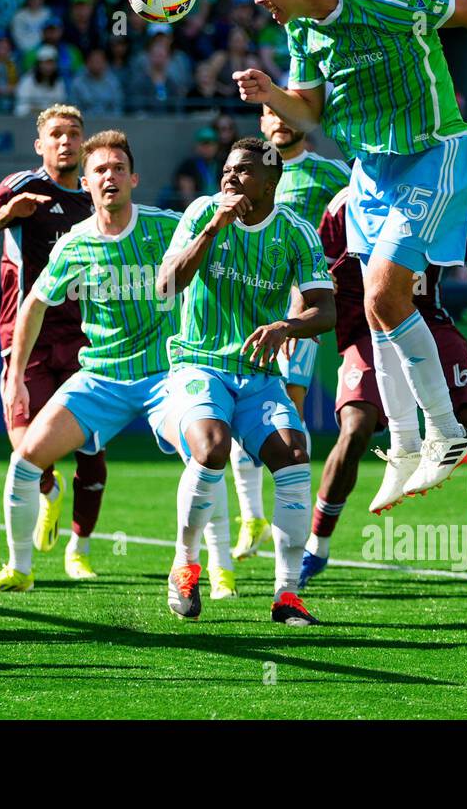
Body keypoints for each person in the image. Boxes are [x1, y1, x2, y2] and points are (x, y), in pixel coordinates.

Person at [233, 0, 467, 505]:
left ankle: (446, 434)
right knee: (377, 308)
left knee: (382, 293)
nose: (258, 0)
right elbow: (307, 115)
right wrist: (270, 95)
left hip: (433, 154)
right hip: (371, 171)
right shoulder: (301, 27)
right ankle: (405, 443)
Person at [0, 130, 182, 593]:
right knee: (25, 454)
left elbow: (213, 250)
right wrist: (13, 379)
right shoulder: (38, 203)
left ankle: (86, 550)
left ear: (133, 177)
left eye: (117, 168)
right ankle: (21, 565)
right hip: (62, 356)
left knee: (186, 453)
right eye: (101, 169)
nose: (109, 176)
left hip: (134, 365)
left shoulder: (161, 225)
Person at [302, 187, 467, 593]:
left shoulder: (448, 197)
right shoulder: (346, 204)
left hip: (428, 318)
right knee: (357, 426)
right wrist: (301, 325)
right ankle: (315, 547)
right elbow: (318, 280)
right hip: (365, 327)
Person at [156, 137, 336, 624]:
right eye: (227, 170)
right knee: (211, 448)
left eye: (243, 171)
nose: (229, 178)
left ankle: (287, 593)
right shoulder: (201, 213)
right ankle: (185, 564)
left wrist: (288, 327)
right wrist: (213, 228)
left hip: (258, 374)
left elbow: (327, 309)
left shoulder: (296, 233)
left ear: (272, 180)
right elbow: (166, 284)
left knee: (295, 457)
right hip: (199, 362)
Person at [0, 105, 108, 580]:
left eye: (74, 134)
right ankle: (47, 490)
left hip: (87, 339)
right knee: (24, 447)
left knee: (92, 451)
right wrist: (6, 214)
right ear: (40, 145)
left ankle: (78, 551)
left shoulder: (96, 195)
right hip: (26, 335)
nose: (66, 142)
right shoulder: (23, 186)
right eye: (56, 135)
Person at [217, 105, 351, 569]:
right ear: (260, 123)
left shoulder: (332, 173)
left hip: (301, 310)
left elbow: (355, 229)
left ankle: (291, 516)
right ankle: (252, 515)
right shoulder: (243, 174)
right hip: (243, 306)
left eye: (287, 111)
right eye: (270, 112)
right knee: (235, 402)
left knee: (285, 407)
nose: (279, 121)